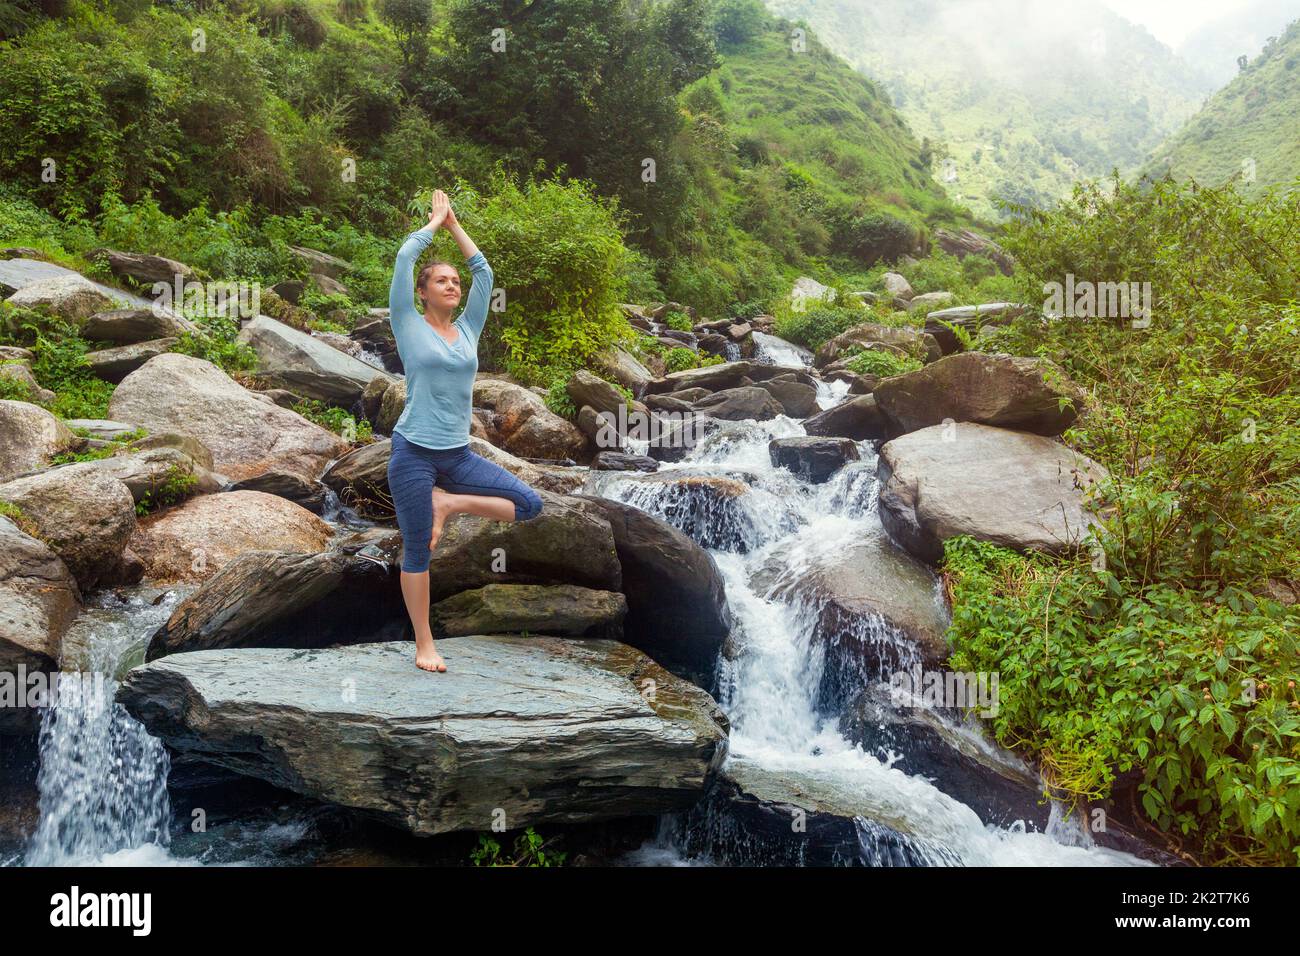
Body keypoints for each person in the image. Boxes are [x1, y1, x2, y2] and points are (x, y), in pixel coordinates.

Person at [385, 189, 543, 673]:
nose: (453, 286)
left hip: (457, 456)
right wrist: (433, 223)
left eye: (455, 280)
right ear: (422, 291)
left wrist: (455, 224)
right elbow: (404, 255)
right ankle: (424, 645)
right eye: (442, 280)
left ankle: (447, 503)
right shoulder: (407, 322)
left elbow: (486, 274)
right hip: (413, 452)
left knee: (529, 505)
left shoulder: (470, 328)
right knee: (417, 551)